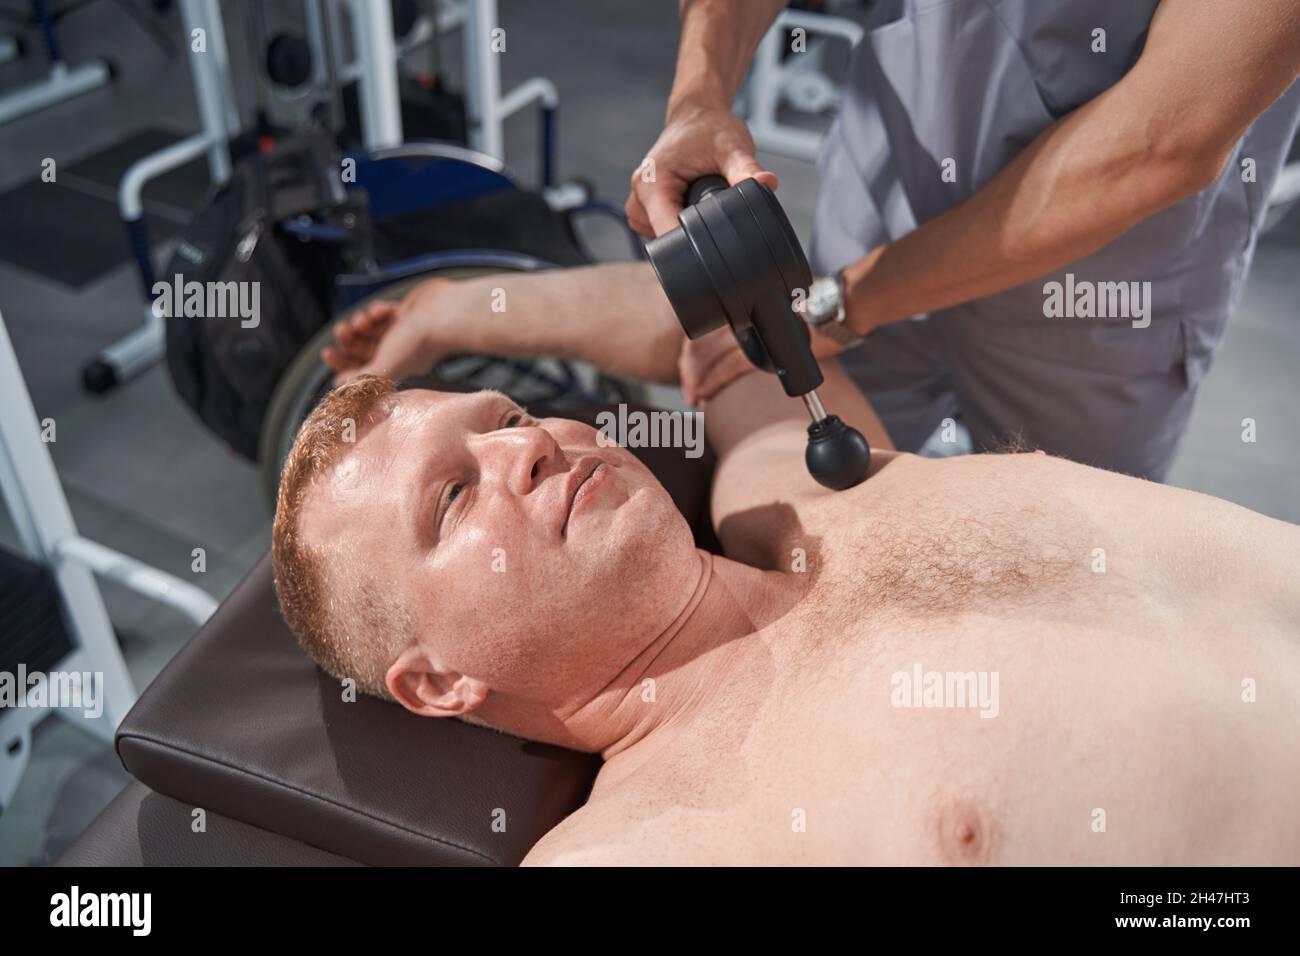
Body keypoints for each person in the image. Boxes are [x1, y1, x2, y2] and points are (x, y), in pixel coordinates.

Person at [271, 348, 1300, 864]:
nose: (530, 443)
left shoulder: (787, 489)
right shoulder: (636, 850)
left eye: (508, 414)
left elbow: (708, 310)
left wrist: (456, 305)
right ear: (440, 679)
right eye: (452, 497)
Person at [626, 0, 1300, 480]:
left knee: (1059, 571)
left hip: (1100, 293)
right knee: (817, 516)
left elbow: (1162, 141)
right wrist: (699, 93)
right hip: (883, 194)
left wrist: (846, 304)